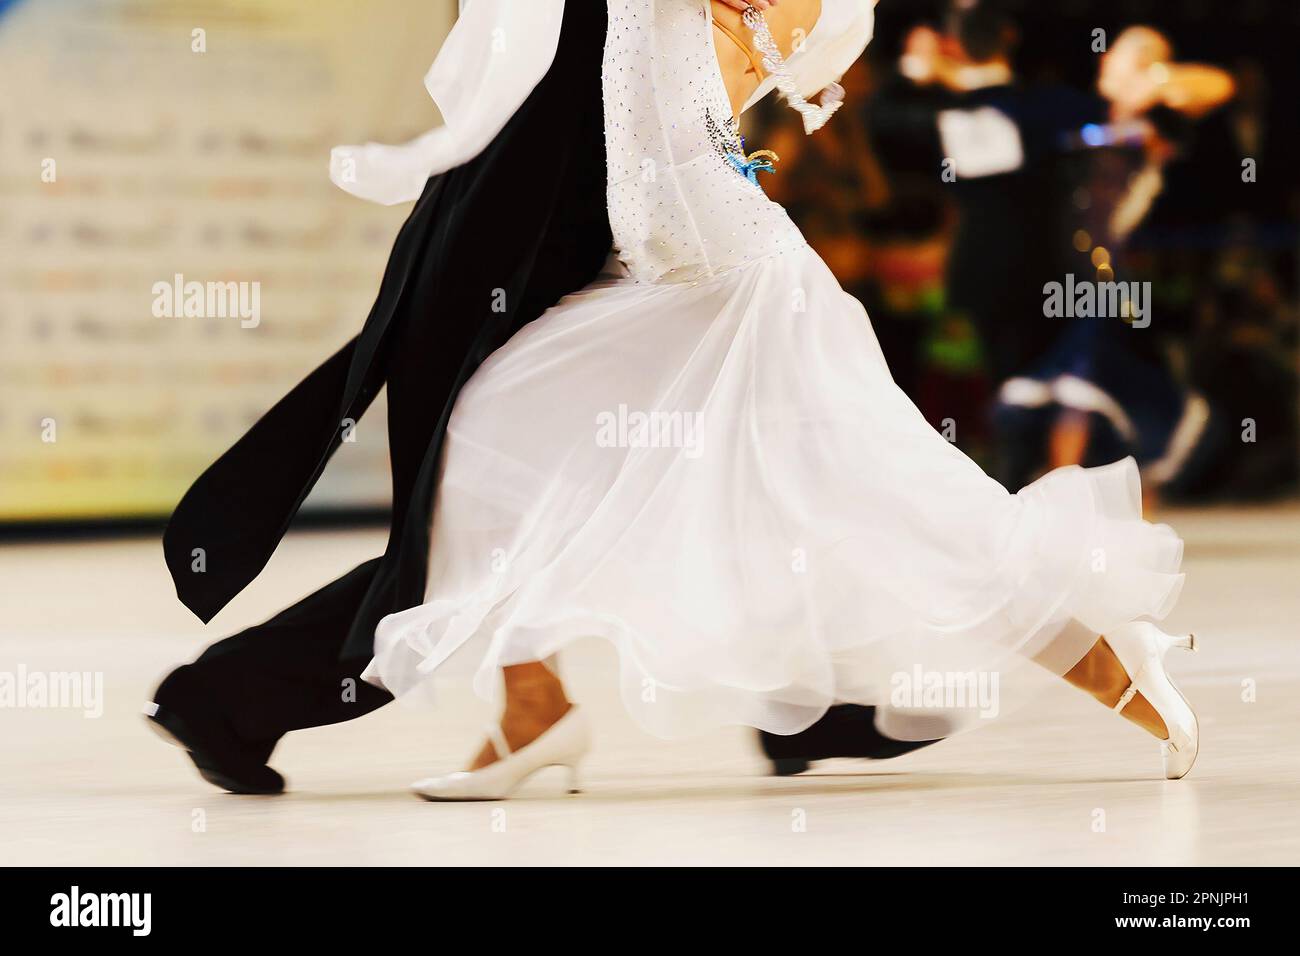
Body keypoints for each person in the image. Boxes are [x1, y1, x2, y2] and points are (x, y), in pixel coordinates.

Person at [354, 0, 1197, 802]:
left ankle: (1115, 662)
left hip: (741, 282)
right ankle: (533, 711)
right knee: (488, 428)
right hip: (662, 282)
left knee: (904, 508)